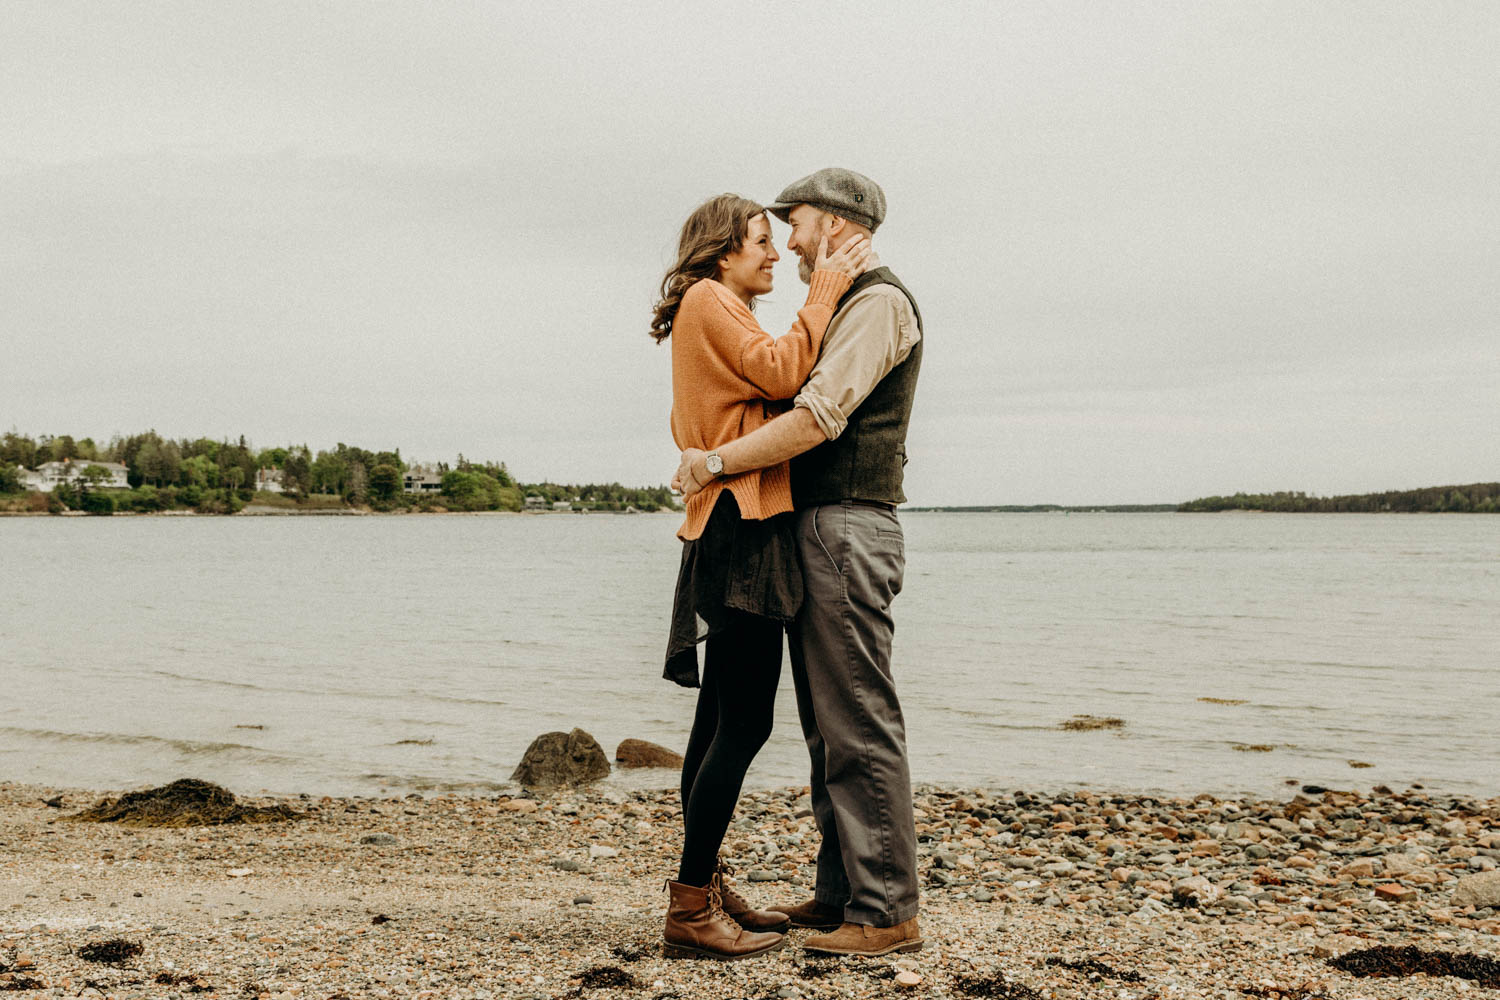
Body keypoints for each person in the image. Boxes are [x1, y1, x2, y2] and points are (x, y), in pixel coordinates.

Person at [673, 168, 925, 957]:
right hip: (794, 526)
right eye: (769, 231)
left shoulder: (876, 303)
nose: (787, 241)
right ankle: (841, 894)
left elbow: (814, 414)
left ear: (836, 224)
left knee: (854, 720)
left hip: (843, 524)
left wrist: (714, 461)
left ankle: (884, 911)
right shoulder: (810, 303)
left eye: (797, 222)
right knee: (826, 725)